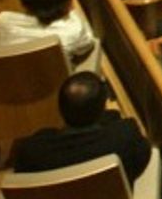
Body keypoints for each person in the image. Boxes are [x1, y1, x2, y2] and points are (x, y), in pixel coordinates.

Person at [11, 71, 153, 178]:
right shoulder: (125, 135)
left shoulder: (30, 151)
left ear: (60, 109)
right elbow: (142, 160)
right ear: (102, 109)